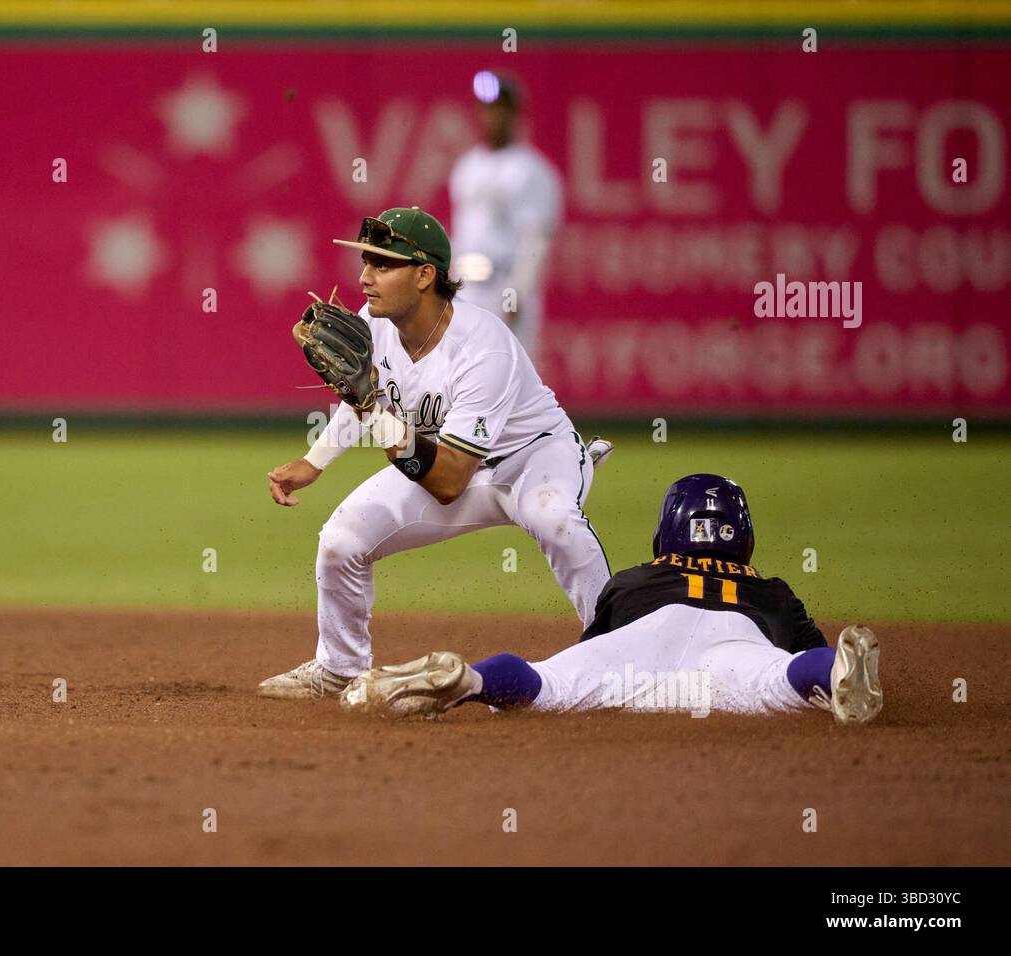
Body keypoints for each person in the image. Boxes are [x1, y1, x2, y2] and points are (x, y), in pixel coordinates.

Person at [260, 206, 612, 700]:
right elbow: (362, 396)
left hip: (532, 458)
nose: (364, 278)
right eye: (365, 263)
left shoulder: (483, 347)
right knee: (341, 540)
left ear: (425, 275)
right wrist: (315, 462)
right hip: (445, 459)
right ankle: (338, 668)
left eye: (383, 265)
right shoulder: (375, 324)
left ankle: (618, 650)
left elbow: (447, 483)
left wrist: (375, 414)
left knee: (554, 519)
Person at [339, 473, 884, 727]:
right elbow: (797, 649)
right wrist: (818, 663)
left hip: (642, 636)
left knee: (549, 680)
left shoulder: (633, 579)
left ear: (668, 529)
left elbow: (598, 642)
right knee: (781, 677)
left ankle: (471, 679)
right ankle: (840, 673)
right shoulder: (774, 591)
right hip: (735, 640)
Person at [447, 71, 564, 359]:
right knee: (460, 376)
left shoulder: (531, 170)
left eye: (499, 108)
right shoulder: (467, 166)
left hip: (503, 285)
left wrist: (519, 292)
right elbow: (461, 234)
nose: (491, 116)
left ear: (514, 114)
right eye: (486, 108)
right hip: (466, 285)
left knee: (509, 378)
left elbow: (537, 240)